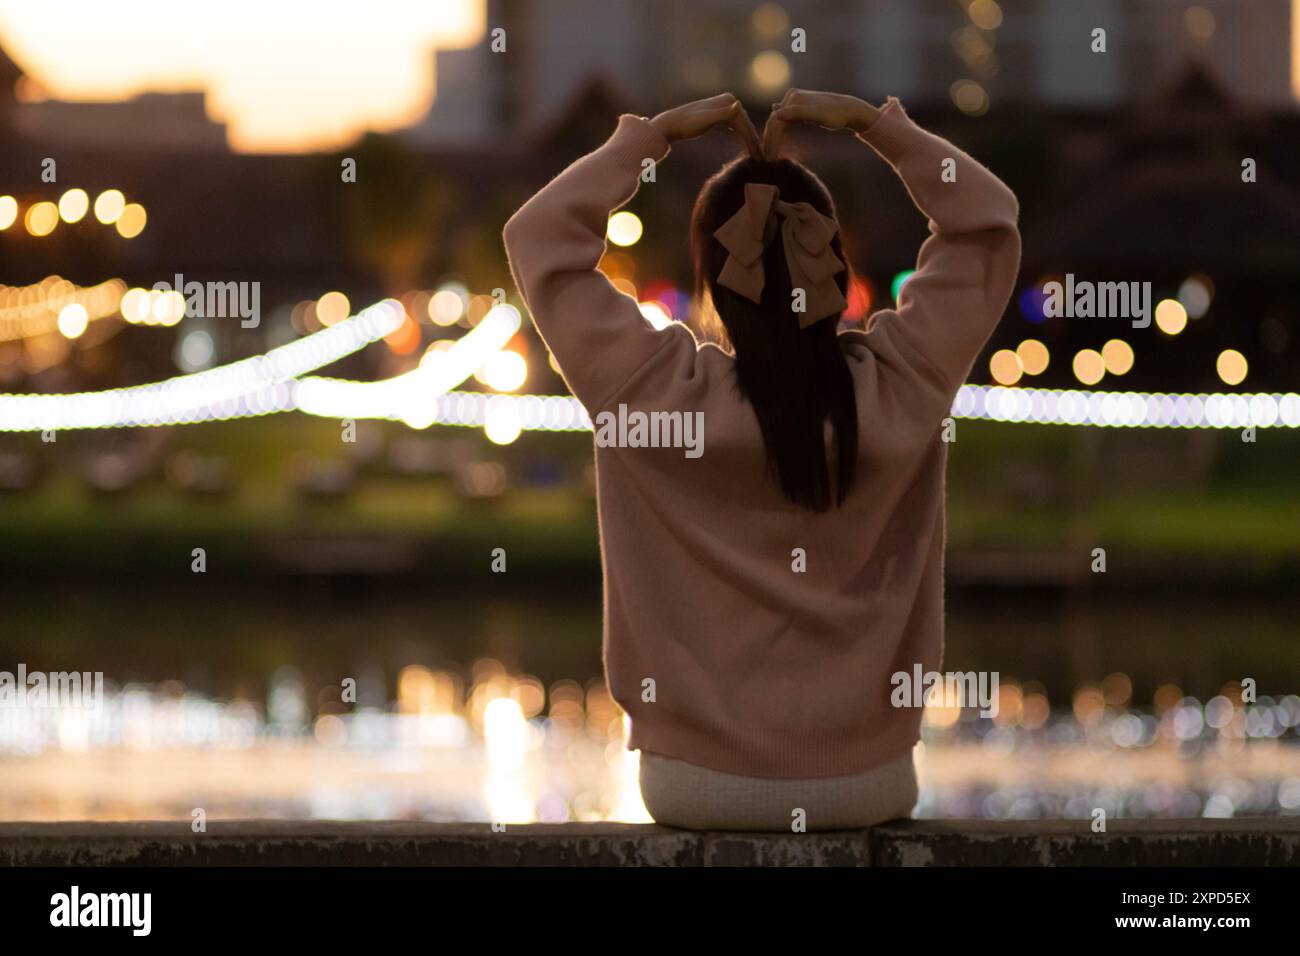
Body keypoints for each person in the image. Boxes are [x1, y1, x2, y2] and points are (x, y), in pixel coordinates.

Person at [503, 89, 1020, 831]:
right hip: (867, 781)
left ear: (715, 280)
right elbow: (986, 225)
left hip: (693, 784)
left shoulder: (651, 394)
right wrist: (878, 128)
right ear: (833, 262)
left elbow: (540, 235)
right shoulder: (903, 387)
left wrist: (648, 139)